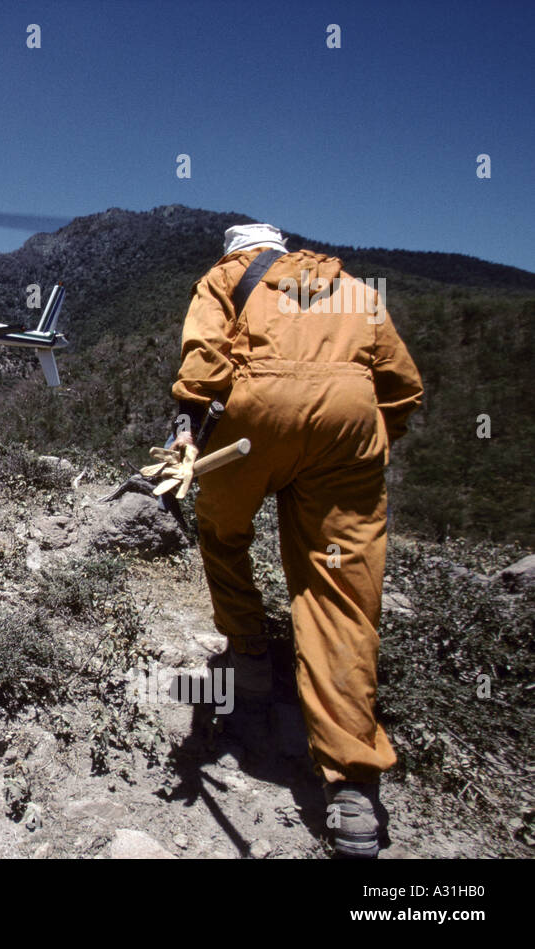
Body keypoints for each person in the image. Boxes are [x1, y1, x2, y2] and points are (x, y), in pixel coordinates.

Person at [169, 222, 423, 858]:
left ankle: (250, 657)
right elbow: (401, 385)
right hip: (350, 422)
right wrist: (358, 439)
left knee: (222, 530)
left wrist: (187, 427)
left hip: (254, 420)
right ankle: (353, 788)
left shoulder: (226, 278)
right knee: (340, 592)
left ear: (236, 253)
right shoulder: (356, 290)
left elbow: (204, 360)